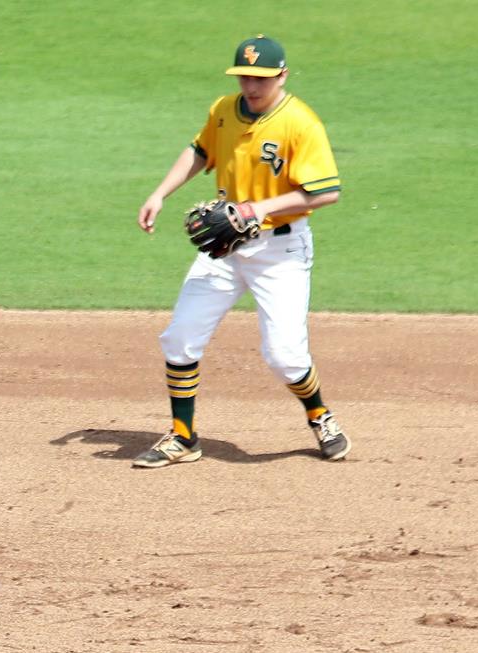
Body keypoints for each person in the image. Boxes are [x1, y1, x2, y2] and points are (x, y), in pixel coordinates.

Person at [134, 35, 348, 468]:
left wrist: (258, 208)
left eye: (261, 78)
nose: (251, 86)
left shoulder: (301, 124)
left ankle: (319, 416)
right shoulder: (223, 110)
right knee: (179, 339)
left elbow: (326, 192)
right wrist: (160, 193)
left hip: (281, 251)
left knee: (285, 357)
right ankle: (183, 437)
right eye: (245, 77)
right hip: (225, 247)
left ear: (282, 76)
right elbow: (199, 151)